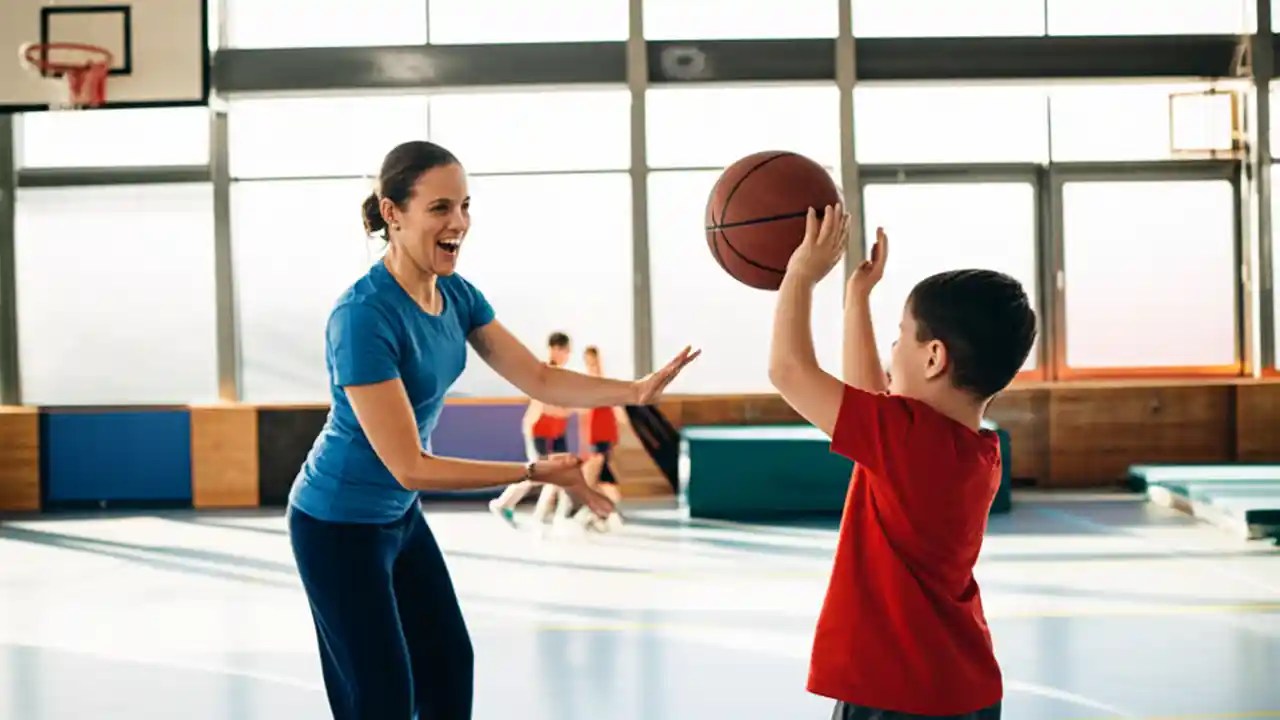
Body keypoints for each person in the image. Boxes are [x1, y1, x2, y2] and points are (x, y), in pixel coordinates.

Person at [286, 139, 699, 720]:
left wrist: (633, 392)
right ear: (391, 213)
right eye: (440, 208)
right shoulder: (362, 316)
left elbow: (537, 377)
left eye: (465, 206)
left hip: (397, 518)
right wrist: (533, 471)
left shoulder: (456, 294)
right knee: (381, 698)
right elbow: (411, 465)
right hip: (337, 526)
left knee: (449, 667)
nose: (459, 223)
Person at [767, 205, 1035, 719]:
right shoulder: (973, 450)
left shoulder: (910, 444)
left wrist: (800, 273)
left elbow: (788, 370)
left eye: (899, 335)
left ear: (934, 358)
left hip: (896, 695)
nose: (892, 349)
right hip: (962, 689)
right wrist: (855, 300)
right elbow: (869, 397)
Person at [489, 331, 575, 527]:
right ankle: (502, 504)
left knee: (560, 474)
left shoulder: (561, 375)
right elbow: (549, 406)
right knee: (538, 473)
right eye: (565, 350)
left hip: (556, 431)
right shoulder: (545, 373)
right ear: (554, 349)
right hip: (539, 430)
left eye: (569, 351)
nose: (568, 354)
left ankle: (543, 514)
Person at [573, 345, 626, 531]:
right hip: (593, 433)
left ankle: (601, 511)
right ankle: (600, 511)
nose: (591, 364)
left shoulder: (602, 381)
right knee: (597, 476)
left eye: (593, 360)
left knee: (597, 474)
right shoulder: (587, 382)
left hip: (604, 433)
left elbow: (615, 406)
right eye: (588, 361)